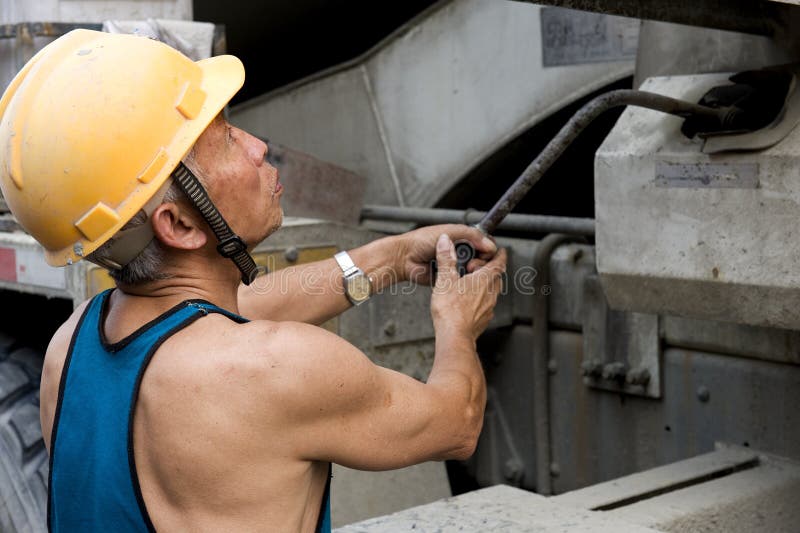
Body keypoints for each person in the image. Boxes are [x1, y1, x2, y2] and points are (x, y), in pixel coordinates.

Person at [0, 30, 506, 532]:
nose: (258, 147)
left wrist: (388, 258)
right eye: (225, 140)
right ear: (179, 225)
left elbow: (238, 311)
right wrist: (458, 323)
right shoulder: (279, 370)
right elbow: (456, 422)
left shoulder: (69, 348)